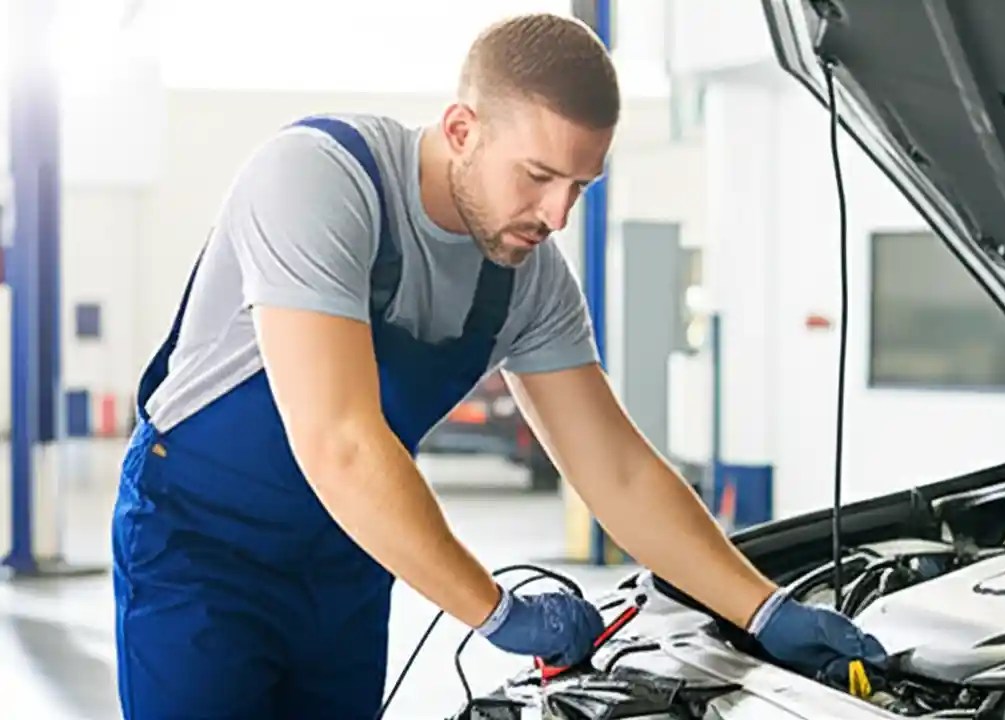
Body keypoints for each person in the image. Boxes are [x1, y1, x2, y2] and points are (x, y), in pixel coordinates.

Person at [111, 12, 884, 719]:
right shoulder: (316, 181)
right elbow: (339, 442)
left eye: (581, 186)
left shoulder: (528, 278)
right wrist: (496, 610)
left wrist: (762, 608)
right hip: (201, 549)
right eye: (539, 176)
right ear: (460, 129)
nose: (556, 217)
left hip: (347, 562)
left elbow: (615, 469)